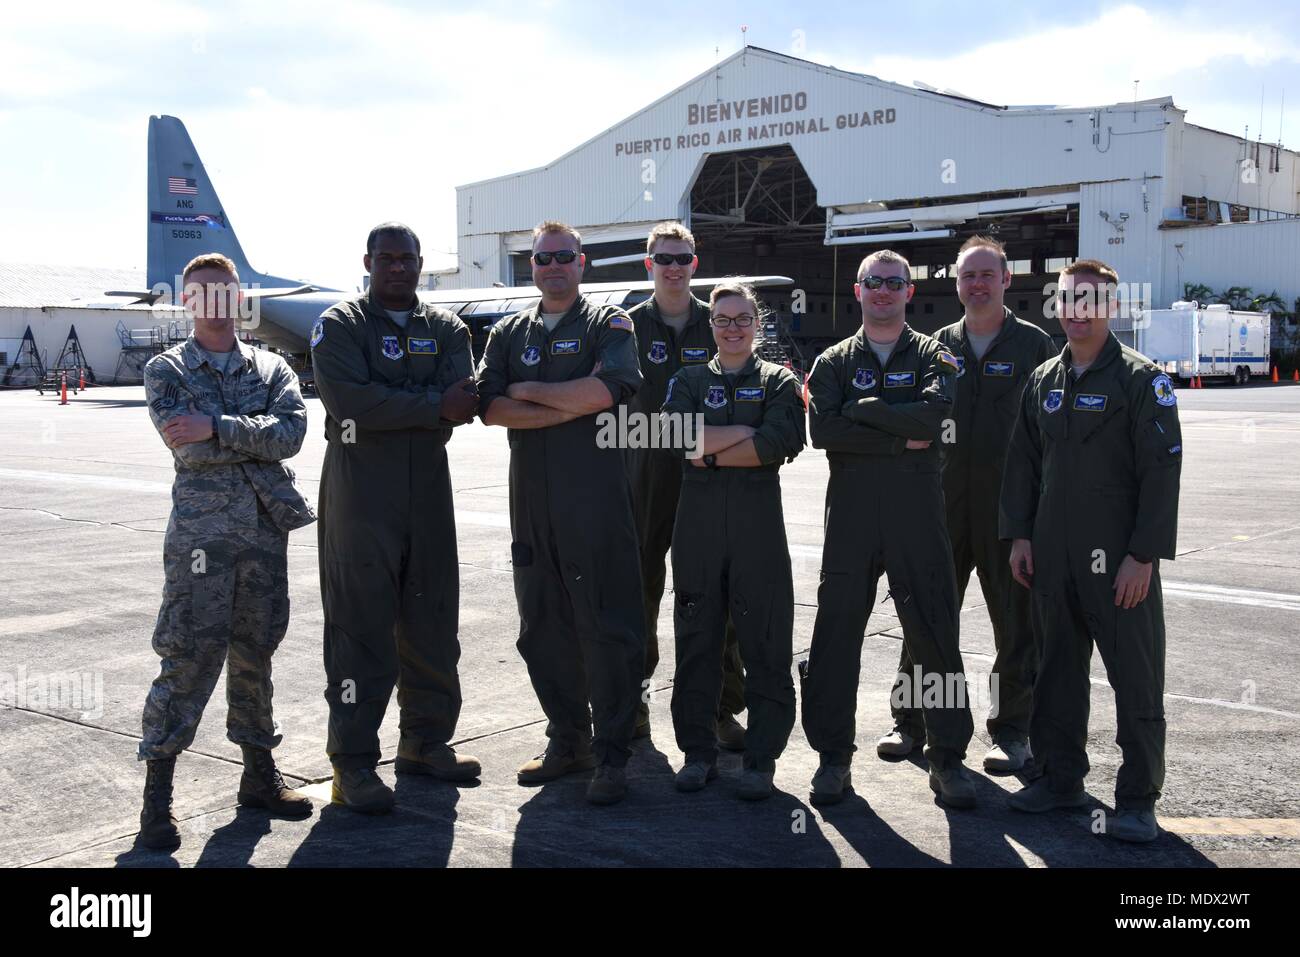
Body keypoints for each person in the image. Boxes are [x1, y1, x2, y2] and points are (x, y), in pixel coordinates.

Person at [1001, 259, 1182, 843]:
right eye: (1069, 300)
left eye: (1091, 301)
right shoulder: (1043, 380)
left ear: (1111, 307)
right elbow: (1023, 464)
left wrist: (1144, 555)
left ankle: (1137, 798)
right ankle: (1059, 779)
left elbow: (1162, 472)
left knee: (1134, 677)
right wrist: (1021, 535)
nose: (1079, 311)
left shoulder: (1140, 379)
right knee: (1056, 672)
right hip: (1052, 555)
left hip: (1119, 559)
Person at [139, 252, 315, 849]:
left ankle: (259, 777)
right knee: (186, 656)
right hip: (200, 542)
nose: (213, 300)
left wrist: (214, 426)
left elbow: (290, 436)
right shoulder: (166, 370)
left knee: (255, 655)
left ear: (238, 299)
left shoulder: (271, 368)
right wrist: (245, 433)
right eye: (200, 292)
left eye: (224, 290)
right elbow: (185, 450)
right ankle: (157, 794)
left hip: (262, 539)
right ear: (185, 302)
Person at [312, 223, 481, 815]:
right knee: (360, 631)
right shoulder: (340, 325)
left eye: (407, 259)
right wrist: (432, 404)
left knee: (434, 622)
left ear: (420, 263)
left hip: (428, 491)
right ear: (368, 261)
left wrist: (414, 405)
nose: (398, 268)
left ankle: (425, 743)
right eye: (386, 258)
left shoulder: (447, 328)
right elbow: (349, 402)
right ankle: (352, 764)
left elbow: (466, 399)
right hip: (362, 493)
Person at [800, 249, 978, 809]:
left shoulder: (935, 355)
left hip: (916, 515)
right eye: (872, 282)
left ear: (908, 292)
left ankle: (947, 759)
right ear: (857, 291)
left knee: (935, 636)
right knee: (835, 637)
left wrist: (865, 410)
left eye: (893, 283)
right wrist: (901, 436)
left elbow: (937, 418)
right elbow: (824, 431)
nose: (882, 291)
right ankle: (833, 759)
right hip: (852, 515)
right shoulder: (831, 361)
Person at [476, 220, 645, 806]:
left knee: (606, 628)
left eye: (563, 256)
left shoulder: (608, 323)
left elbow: (609, 392)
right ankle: (567, 739)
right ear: (531, 264)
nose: (552, 265)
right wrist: (567, 400)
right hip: (531, 506)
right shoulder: (507, 332)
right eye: (542, 257)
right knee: (542, 631)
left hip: (594, 501)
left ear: (582, 261)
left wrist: (529, 391)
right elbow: (490, 408)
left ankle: (613, 754)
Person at [886, 236, 1054, 772]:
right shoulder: (933, 346)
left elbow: (1052, 434)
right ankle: (912, 722)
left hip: (1011, 513)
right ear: (956, 284)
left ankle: (1011, 730)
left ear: (1007, 280)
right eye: (968, 275)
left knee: (1017, 624)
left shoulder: (1036, 348)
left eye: (987, 274)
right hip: (939, 506)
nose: (977, 283)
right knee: (928, 617)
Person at [659, 281, 805, 799]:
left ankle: (761, 760)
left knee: (766, 642)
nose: (733, 327)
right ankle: (698, 754)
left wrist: (711, 450)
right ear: (711, 325)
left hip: (757, 529)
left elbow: (780, 442)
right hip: (697, 529)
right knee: (696, 640)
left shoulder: (779, 383)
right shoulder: (689, 378)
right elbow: (674, 436)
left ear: (757, 325)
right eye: (723, 319)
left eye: (743, 318)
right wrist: (746, 432)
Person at [625, 221, 746, 750]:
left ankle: (718, 706)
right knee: (638, 592)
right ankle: (633, 701)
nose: (673, 267)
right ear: (648, 264)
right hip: (642, 478)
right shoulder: (623, 327)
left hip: (707, 478)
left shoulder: (717, 322)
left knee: (712, 591)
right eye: (663, 258)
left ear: (695, 263)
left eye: (682, 258)